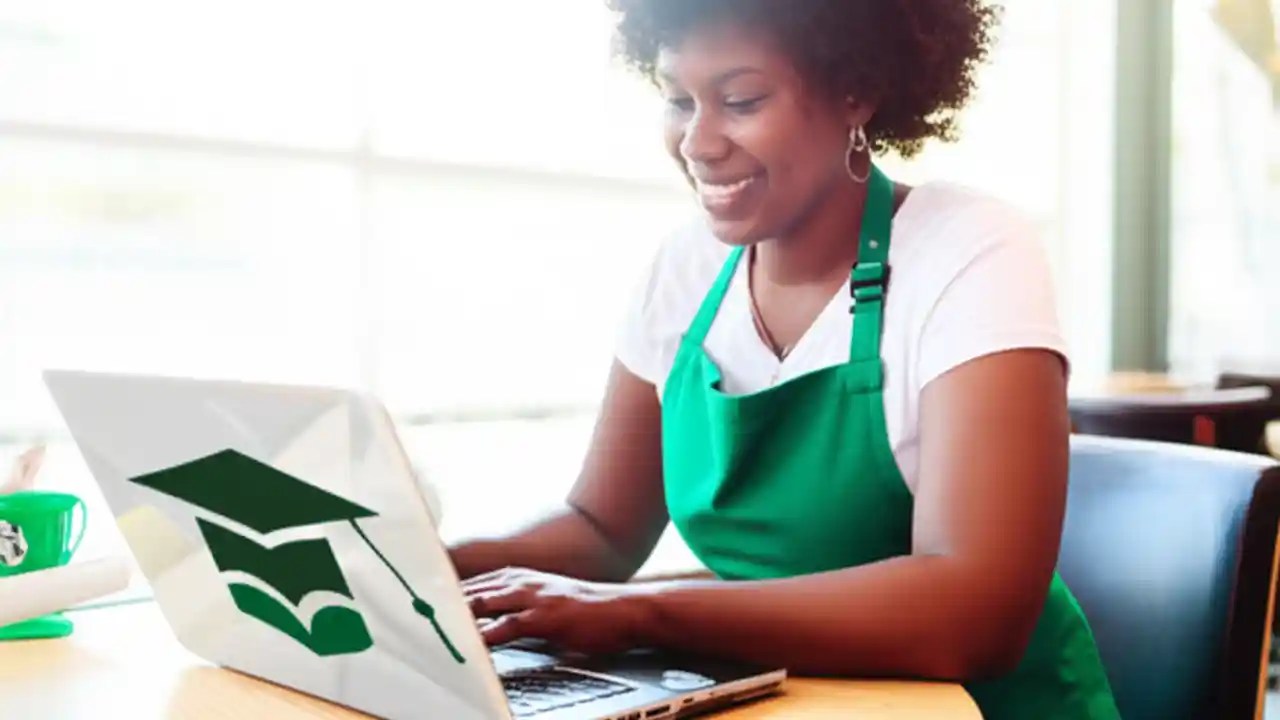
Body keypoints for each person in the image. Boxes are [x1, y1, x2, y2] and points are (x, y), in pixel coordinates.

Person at [451, 1, 1120, 717]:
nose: (697, 142)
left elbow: (976, 615)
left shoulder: (967, 253)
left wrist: (645, 611)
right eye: (679, 99)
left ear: (854, 89)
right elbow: (601, 528)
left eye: (740, 100)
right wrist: (416, 566)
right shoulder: (686, 269)